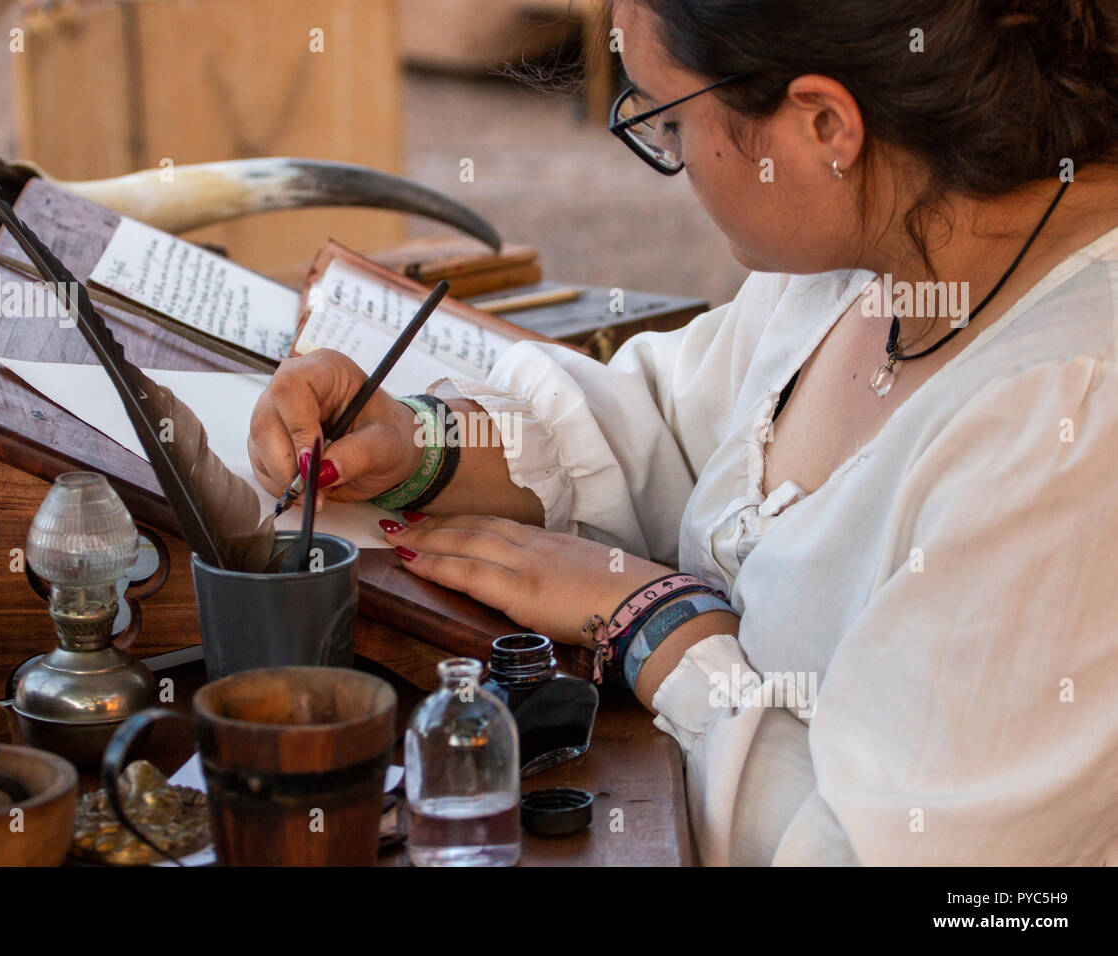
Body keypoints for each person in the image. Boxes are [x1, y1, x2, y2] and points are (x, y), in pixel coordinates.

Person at [249, 0, 1118, 865]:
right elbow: (679, 431)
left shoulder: (1069, 431)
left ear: (824, 124)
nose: (667, 157)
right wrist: (417, 442)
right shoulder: (896, 230)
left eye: (667, 121)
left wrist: (660, 629)